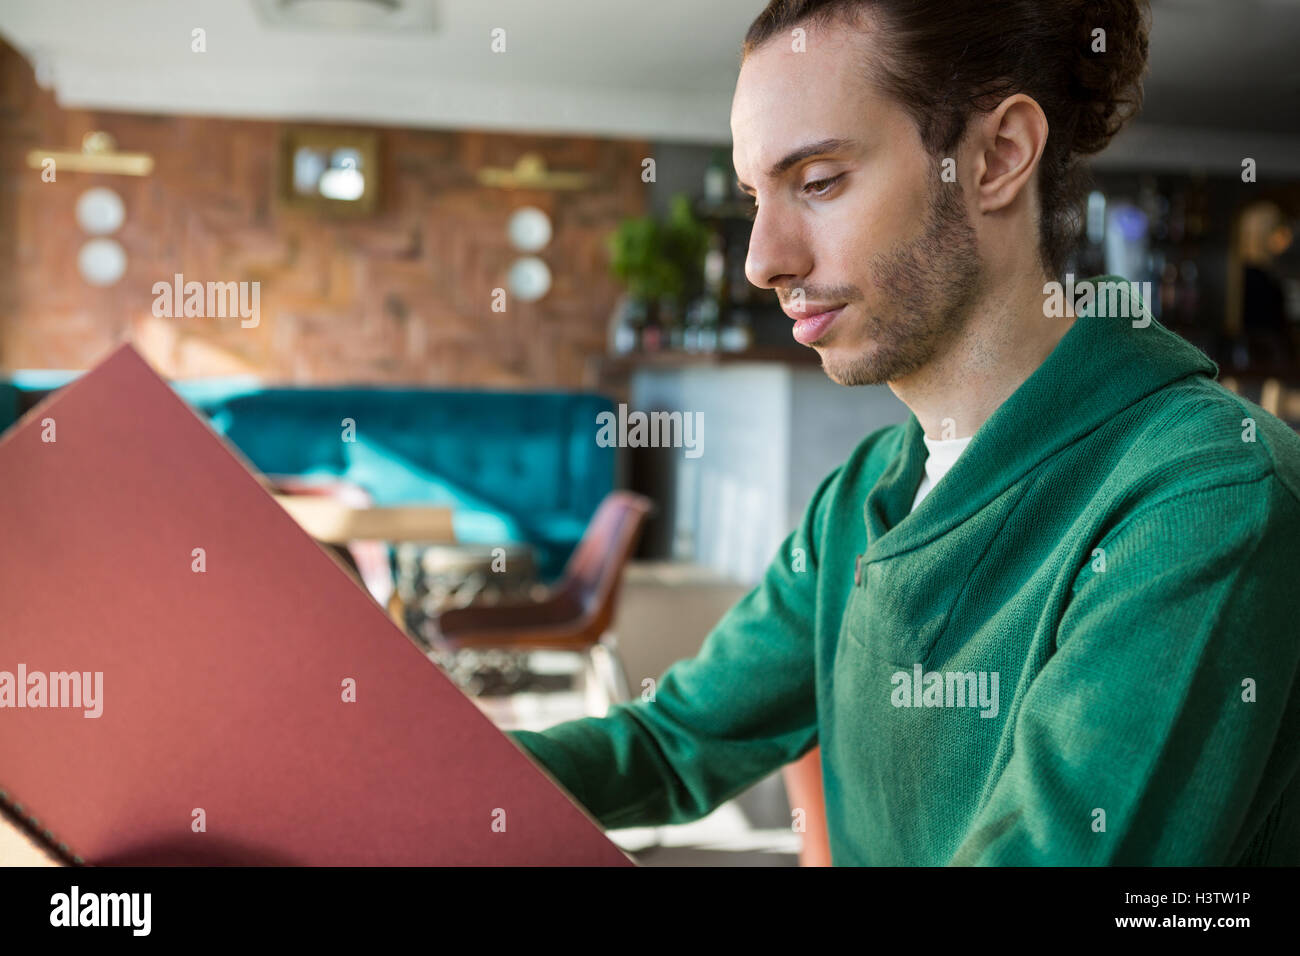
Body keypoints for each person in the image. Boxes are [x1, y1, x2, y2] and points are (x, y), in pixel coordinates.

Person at [510, 0, 1300, 865]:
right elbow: (669, 744)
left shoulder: (1208, 495)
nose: (761, 259)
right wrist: (397, 774)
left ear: (997, 157)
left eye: (816, 182)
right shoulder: (862, 495)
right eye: (754, 197)